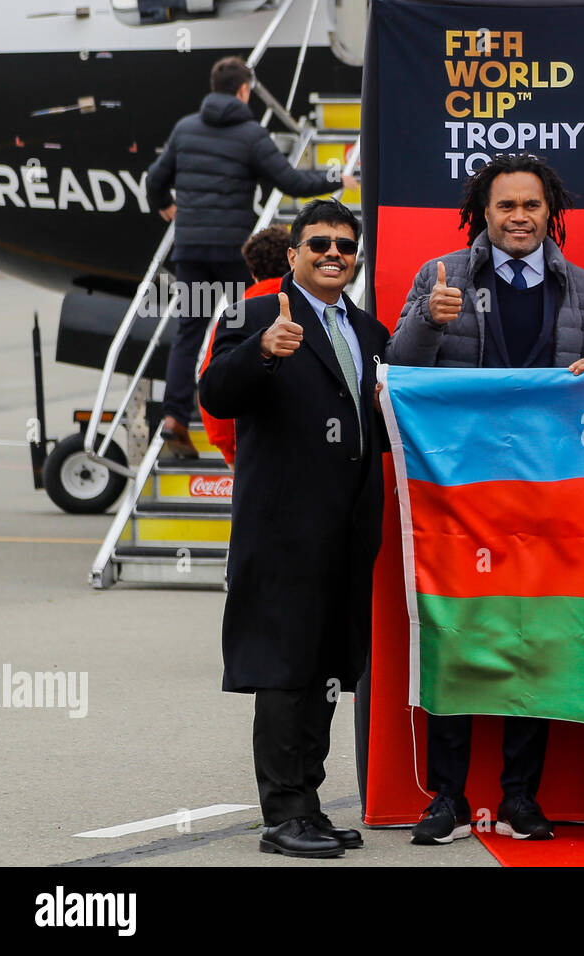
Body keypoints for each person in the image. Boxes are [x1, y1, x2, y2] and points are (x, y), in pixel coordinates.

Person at [386, 153, 584, 844]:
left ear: (552, 212)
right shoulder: (442, 278)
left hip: (549, 497)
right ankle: (448, 798)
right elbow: (398, 367)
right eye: (506, 206)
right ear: (482, 213)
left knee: (534, 642)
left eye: (531, 206)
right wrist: (428, 318)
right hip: (458, 496)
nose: (519, 217)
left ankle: (520, 797)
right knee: (458, 641)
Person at [198, 199, 388, 859]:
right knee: (283, 671)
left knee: (327, 670)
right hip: (282, 533)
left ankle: (308, 804)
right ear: (293, 253)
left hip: (347, 533)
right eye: (319, 245)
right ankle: (282, 816)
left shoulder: (369, 330)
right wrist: (261, 352)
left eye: (344, 245)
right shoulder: (252, 314)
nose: (333, 254)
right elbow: (216, 396)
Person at [148, 55, 358, 459]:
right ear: (245, 91)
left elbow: (155, 179)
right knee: (246, 325)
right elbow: (290, 181)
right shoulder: (249, 134)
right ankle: (248, 419)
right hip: (232, 253)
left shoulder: (185, 128)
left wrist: (165, 206)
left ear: (214, 86)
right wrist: (335, 178)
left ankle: (174, 416)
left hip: (191, 250)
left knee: (190, 329)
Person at [199, 225, 292, 468]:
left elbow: (212, 381)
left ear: (252, 272)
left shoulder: (236, 317)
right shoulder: (313, 308)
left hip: (253, 451)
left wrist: (229, 450)